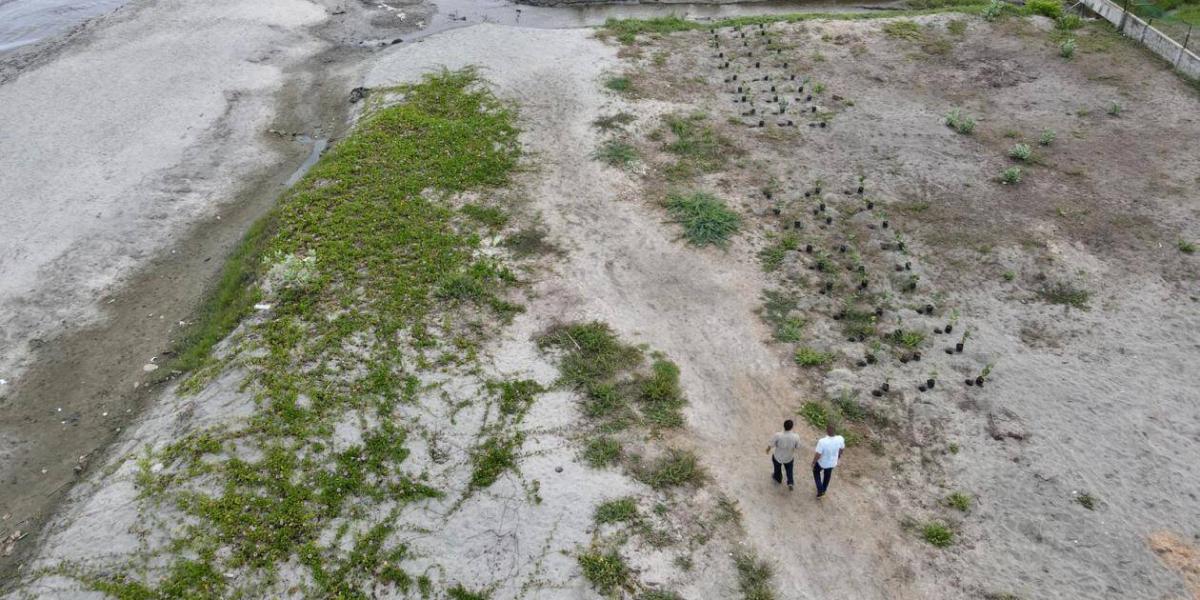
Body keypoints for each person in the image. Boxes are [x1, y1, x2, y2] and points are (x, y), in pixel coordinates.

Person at [812, 423, 845, 498]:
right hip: (833, 462)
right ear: (835, 430)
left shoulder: (822, 441)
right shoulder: (840, 438)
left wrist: (813, 462)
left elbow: (818, 454)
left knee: (816, 472)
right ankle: (824, 490)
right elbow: (842, 449)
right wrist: (838, 456)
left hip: (822, 462)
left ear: (826, 430)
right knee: (827, 475)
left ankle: (820, 491)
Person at [766, 419, 802, 491]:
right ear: (792, 427)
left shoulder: (778, 435)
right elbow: (798, 447)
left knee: (777, 468)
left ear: (784, 426)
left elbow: (771, 444)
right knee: (789, 469)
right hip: (789, 457)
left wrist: (768, 449)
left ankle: (778, 478)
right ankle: (790, 482)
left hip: (778, 456)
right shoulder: (796, 437)